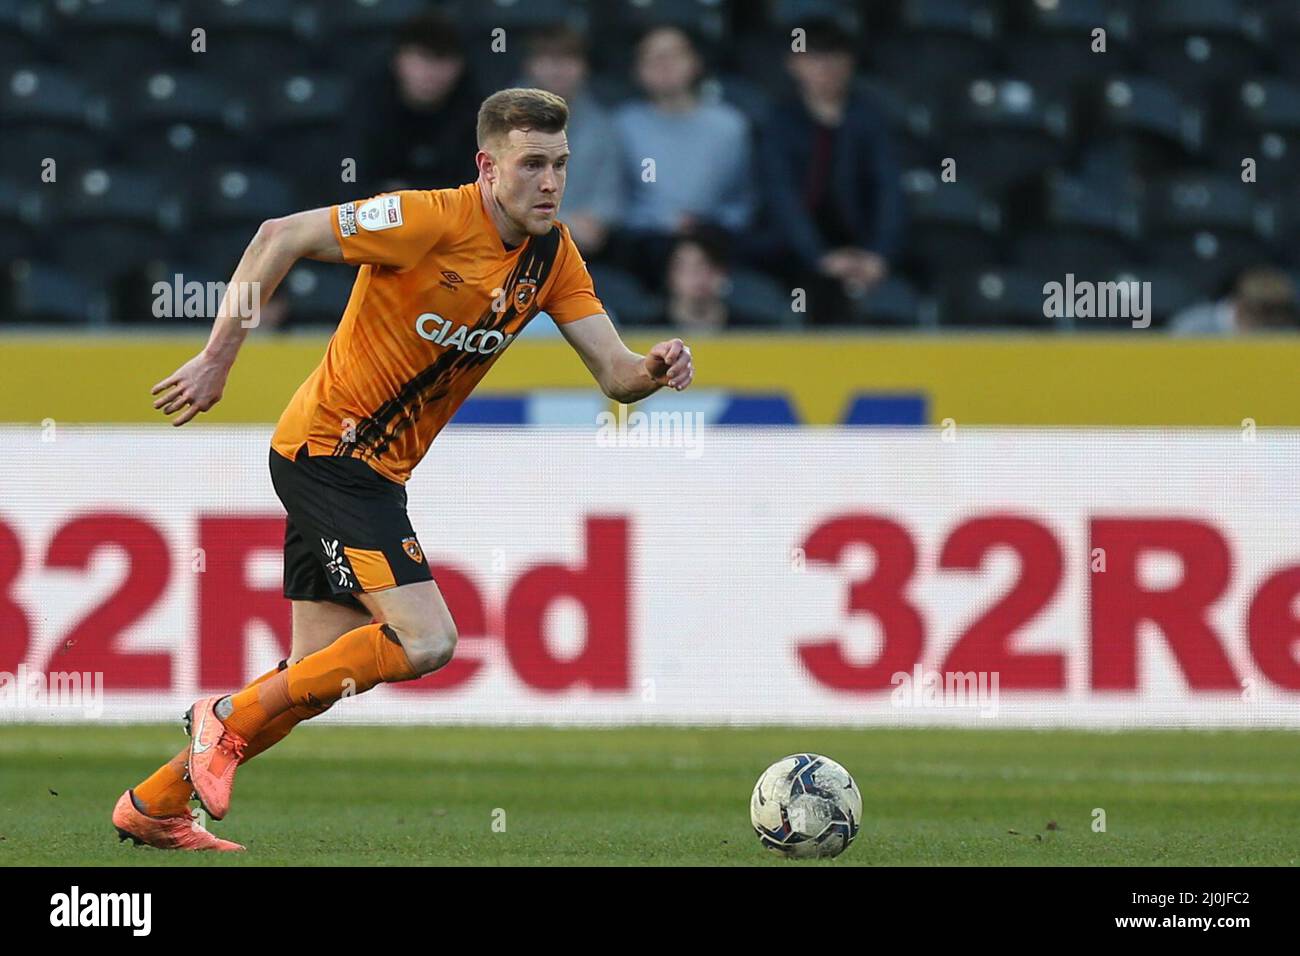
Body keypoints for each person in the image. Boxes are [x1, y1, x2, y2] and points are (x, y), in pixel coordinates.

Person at [113, 88, 695, 851]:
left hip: (376, 474)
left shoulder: (553, 260)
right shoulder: (428, 219)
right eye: (531, 165)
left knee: (317, 675)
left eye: (559, 165)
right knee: (427, 642)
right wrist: (219, 358)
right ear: (487, 167)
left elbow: (617, 376)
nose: (550, 182)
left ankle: (152, 804)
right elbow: (277, 235)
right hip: (329, 454)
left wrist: (655, 366)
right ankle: (220, 719)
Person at [756, 21, 904, 322]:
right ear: (794, 64)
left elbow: (889, 190)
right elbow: (781, 197)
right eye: (815, 58)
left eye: (835, 57)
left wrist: (879, 255)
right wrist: (818, 256)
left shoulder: (871, 119)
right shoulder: (778, 123)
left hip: (860, 243)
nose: (826, 68)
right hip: (790, 251)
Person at [610, 25, 755, 284]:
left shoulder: (729, 126)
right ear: (638, 70)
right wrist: (661, 220)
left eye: (674, 55)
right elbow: (615, 199)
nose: (664, 65)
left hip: (718, 241)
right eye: (653, 57)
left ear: (695, 62)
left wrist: (707, 222)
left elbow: (744, 199)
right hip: (643, 245)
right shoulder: (622, 126)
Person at [520, 25, 623, 258]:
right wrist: (564, 224)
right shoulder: (501, 120)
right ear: (530, 65)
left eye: (568, 59)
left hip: (581, 248)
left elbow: (608, 199)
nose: (558, 69)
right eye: (548, 59)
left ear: (584, 67)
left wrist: (595, 220)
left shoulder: (602, 125)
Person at [353, 12, 482, 194]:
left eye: (443, 60)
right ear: (398, 60)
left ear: (461, 66)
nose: (431, 72)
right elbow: (348, 180)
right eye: (421, 58)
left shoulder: (476, 114)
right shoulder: (367, 107)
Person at [1170, 267, 1300, 335]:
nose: (1271, 320)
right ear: (1241, 305)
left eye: (1277, 312)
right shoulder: (1193, 327)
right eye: (1263, 311)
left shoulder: (1286, 330)